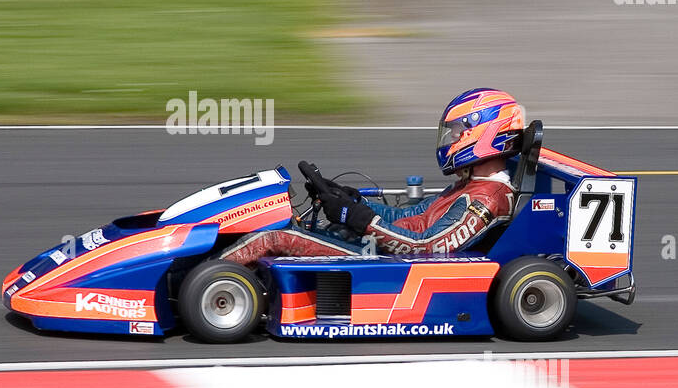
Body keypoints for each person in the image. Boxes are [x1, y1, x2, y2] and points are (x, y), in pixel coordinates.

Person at [220, 88, 524, 264]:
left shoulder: (486, 199)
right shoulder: (470, 186)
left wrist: (359, 219)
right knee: (286, 222)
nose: (451, 139)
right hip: (378, 248)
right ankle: (203, 272)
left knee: (276, 238)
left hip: (392, 263)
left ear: (483, 132)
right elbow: (411, 214)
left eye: (457, 132)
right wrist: (351, 202)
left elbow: (426, 246)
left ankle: (206, 281)